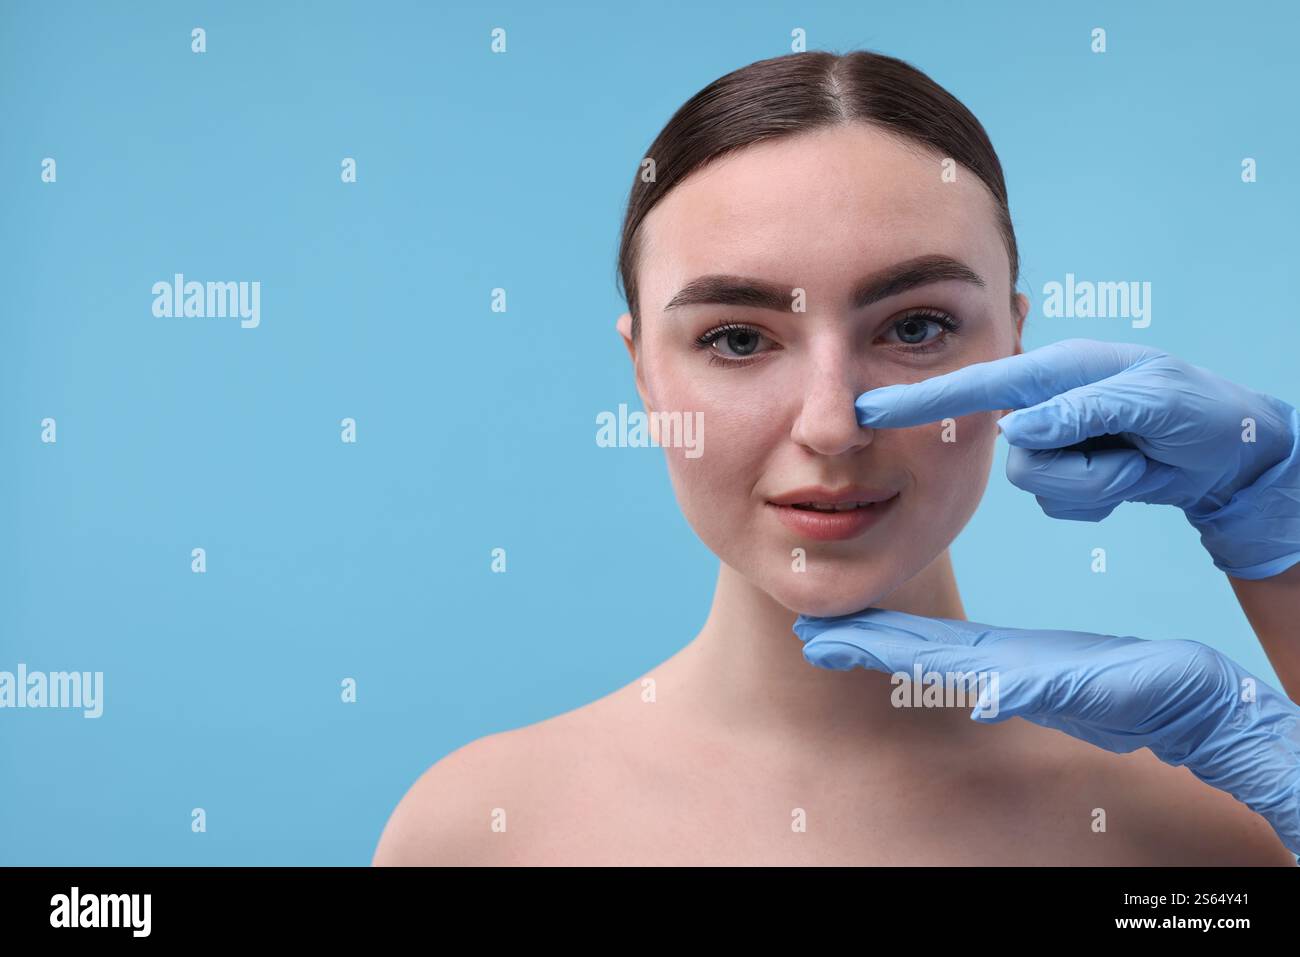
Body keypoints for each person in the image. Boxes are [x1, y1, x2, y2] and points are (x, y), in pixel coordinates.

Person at [372, 50, 1296, 865]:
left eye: (917, 325)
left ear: (1015, 351)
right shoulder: (479, 831)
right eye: (737, 339)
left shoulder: (1208, 828)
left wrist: (1284, 544)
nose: (830, 424)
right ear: (645, 374)